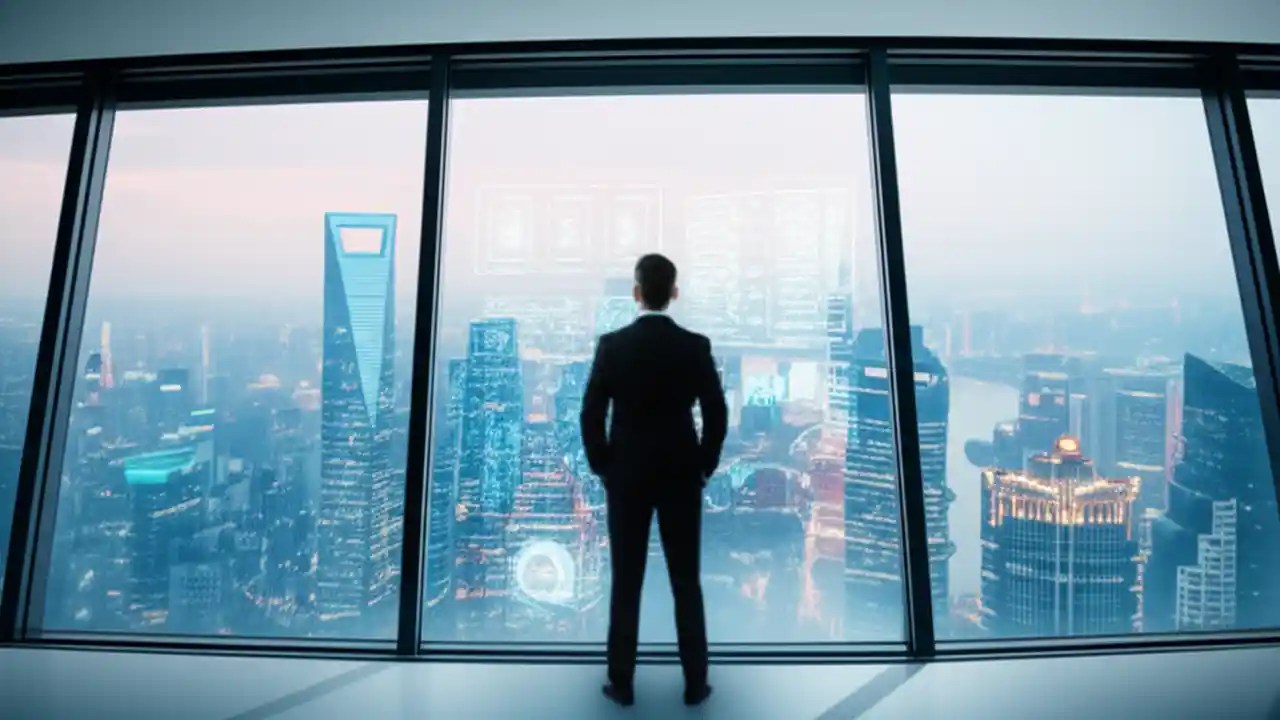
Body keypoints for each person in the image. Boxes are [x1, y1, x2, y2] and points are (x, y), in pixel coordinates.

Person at [580, 253, 728, 707]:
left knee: (627, 582)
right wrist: (704, 464)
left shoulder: (612, 345)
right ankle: (695, 684)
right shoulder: (695, 346)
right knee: (686, 581)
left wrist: (604, 467)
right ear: (674, 293)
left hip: (627, 477)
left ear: (637, 293)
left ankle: (622, 684)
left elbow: (590, 414)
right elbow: (716, 414)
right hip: (682, 475)